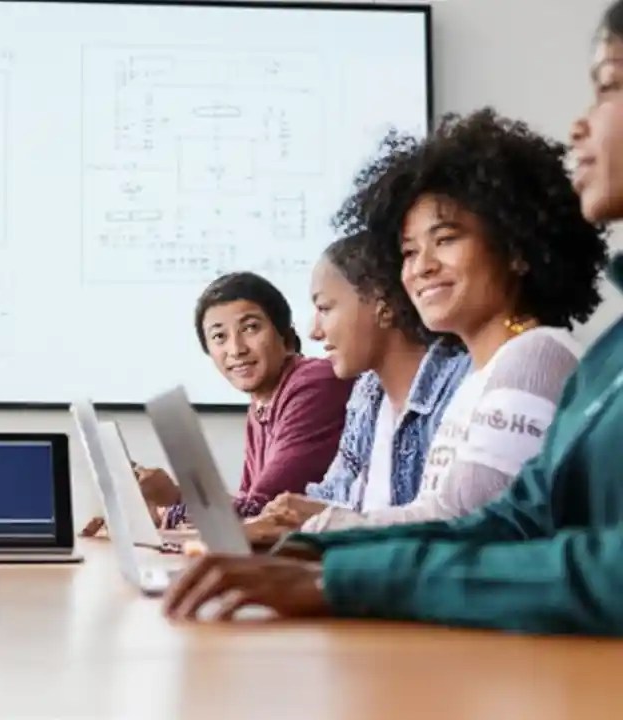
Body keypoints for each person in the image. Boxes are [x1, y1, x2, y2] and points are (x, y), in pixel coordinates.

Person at [161, 76, 622, 635]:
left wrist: (327, 564)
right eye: (408, 251)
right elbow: (500, 519)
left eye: (446, 239)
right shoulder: (483, 374)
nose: (420, 266)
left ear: (518, 248)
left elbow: (479, 523)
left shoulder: (534, 356)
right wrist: (304, 548)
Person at [243, 233, 470, 544]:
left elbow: (446, 527)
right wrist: (291, 515)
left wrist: (322, 523)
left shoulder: (461, 384)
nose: (314, 331)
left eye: (324, 308)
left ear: (383, 304)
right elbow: (336, 497)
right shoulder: (368, 392)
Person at [130, 272, 353, 527]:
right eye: (219, 337)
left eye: (250, 328)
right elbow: (246, 508)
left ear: (287, 338)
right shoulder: (261, 402)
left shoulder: (315, 383)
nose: (236, 349)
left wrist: (173, 500)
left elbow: (262, 511)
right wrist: (152, 518)